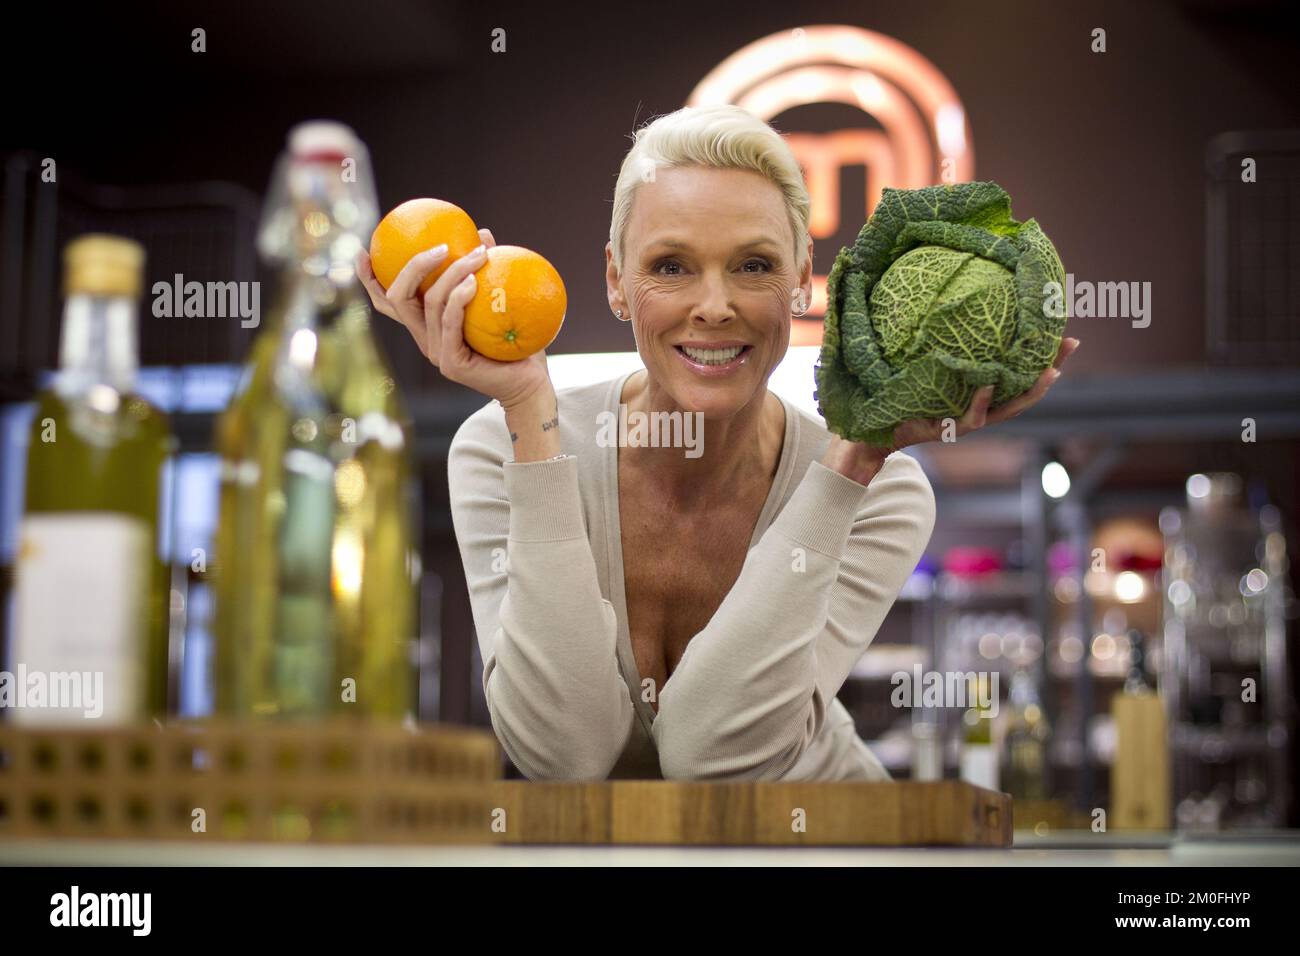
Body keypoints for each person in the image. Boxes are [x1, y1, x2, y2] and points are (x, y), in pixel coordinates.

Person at [358, 104, 1079, 780]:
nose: (713, 306)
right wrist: (528, 411)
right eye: (670, 266)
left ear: (801, 282)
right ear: (616, 279)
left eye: (754, 266)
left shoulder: (879, 492)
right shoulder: (500, 447)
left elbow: (718, 755)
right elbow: (563, 753)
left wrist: (850, 462)